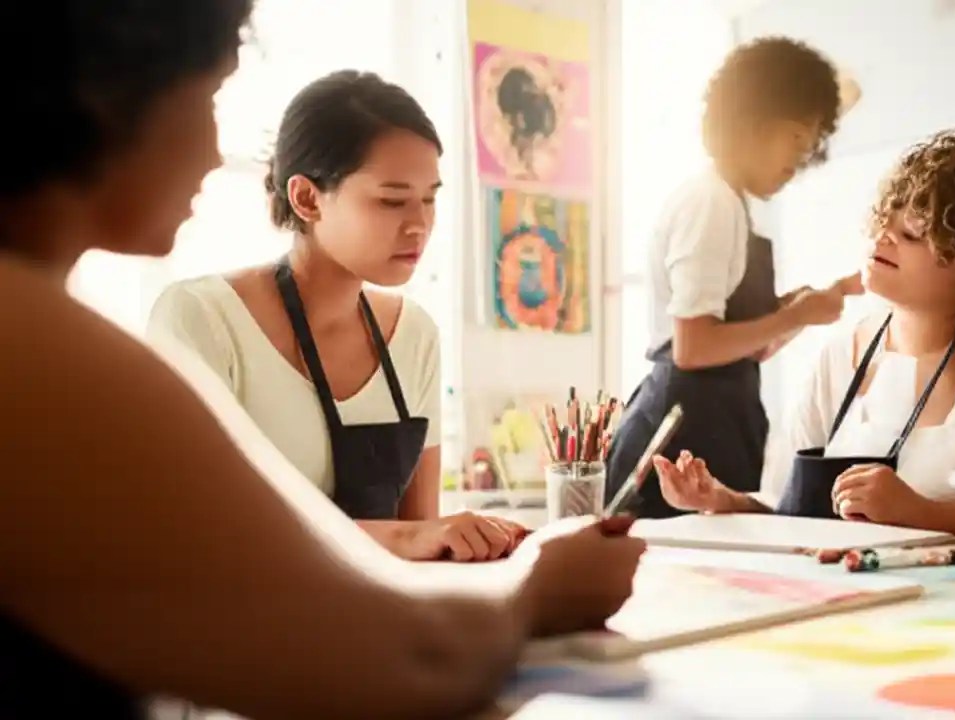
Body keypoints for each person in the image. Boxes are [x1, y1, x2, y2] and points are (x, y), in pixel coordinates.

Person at [0, 2, 644, 718]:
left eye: (429, 200)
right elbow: (405, 656)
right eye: (211, 95)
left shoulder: (44, 333)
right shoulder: (35, 349)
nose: (217, 154)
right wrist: (542, 588)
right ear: (108, 90)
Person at [651, 129, 955, 540]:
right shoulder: (841, 357)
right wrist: (726, 502)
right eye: (884, 219)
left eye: (913, 232)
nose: (883, 237)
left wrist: (926, 514)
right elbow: (793, 519)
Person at [147, 70, 521, 562]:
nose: (419, 225)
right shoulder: (202, 318)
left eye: (429, 198)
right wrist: (409, 538)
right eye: (392, 199)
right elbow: (197, 531)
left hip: (376, 622)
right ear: (306, 198)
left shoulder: (415, 335)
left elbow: (423, 539)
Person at [605, 37, 859, 519]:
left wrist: (794, 314)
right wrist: (796, 313)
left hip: (718, 419)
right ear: (754, 123)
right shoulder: (711, 202)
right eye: (796, 140)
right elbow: (694, 347)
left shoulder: (732, 204)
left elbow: (746, 348)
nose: (799, 160)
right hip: (685, 427)